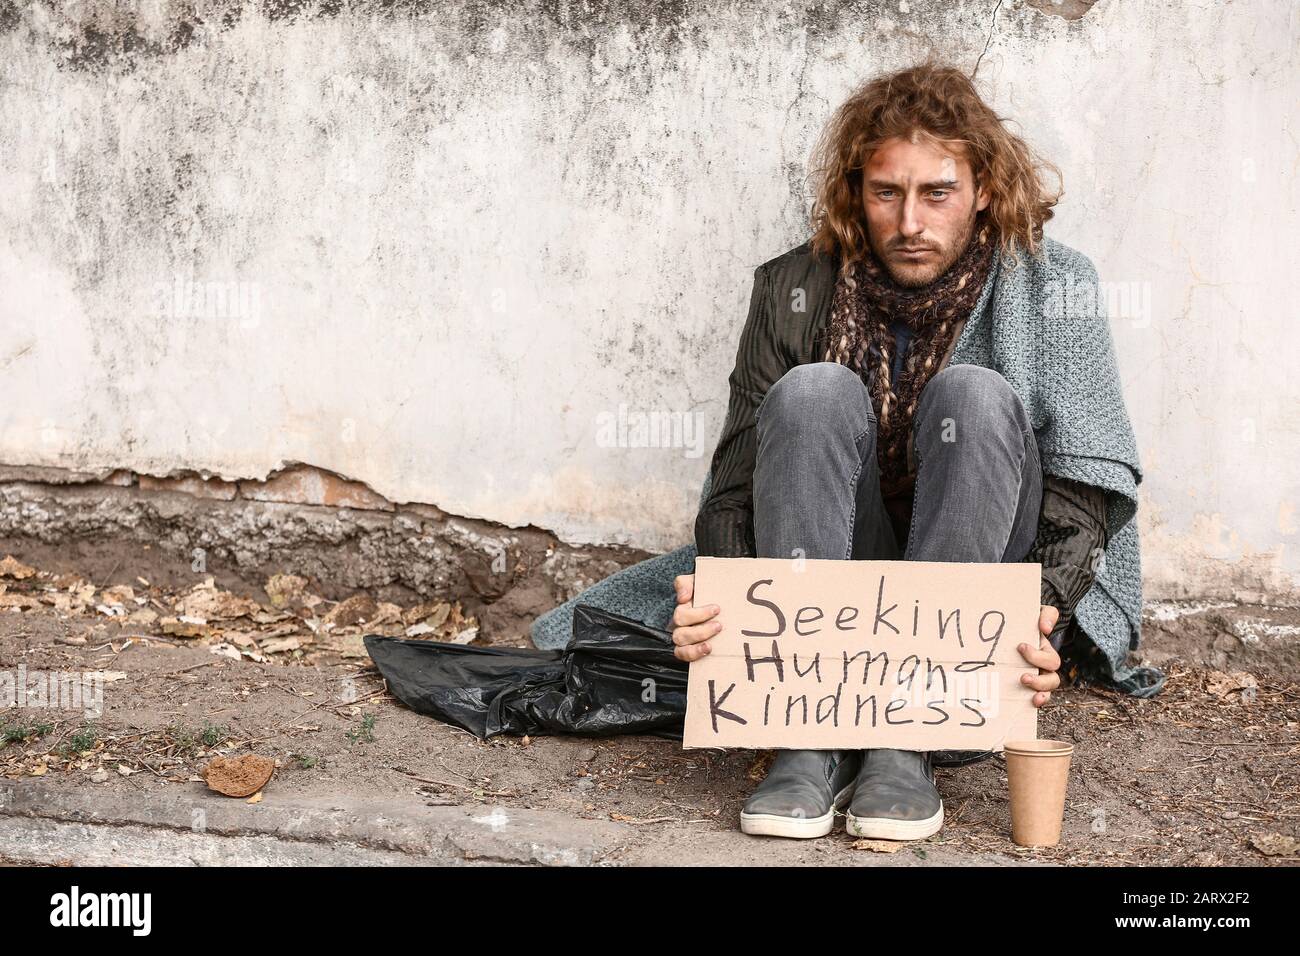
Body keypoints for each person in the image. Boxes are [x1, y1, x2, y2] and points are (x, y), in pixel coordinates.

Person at [670, 62, 1144, 841]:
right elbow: (734, 486)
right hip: (831, 577)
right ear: (858, 190)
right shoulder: (794, 285)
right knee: (813, 391)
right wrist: (718, 603)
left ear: (985, 187)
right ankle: (807, 733)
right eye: (887, 193)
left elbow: (1085, 485)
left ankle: (905, 735)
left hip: (982, 562)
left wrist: (1045, 607)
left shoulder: (1053, 283)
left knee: (976, 397)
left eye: (937, 193)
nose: (910, 222)